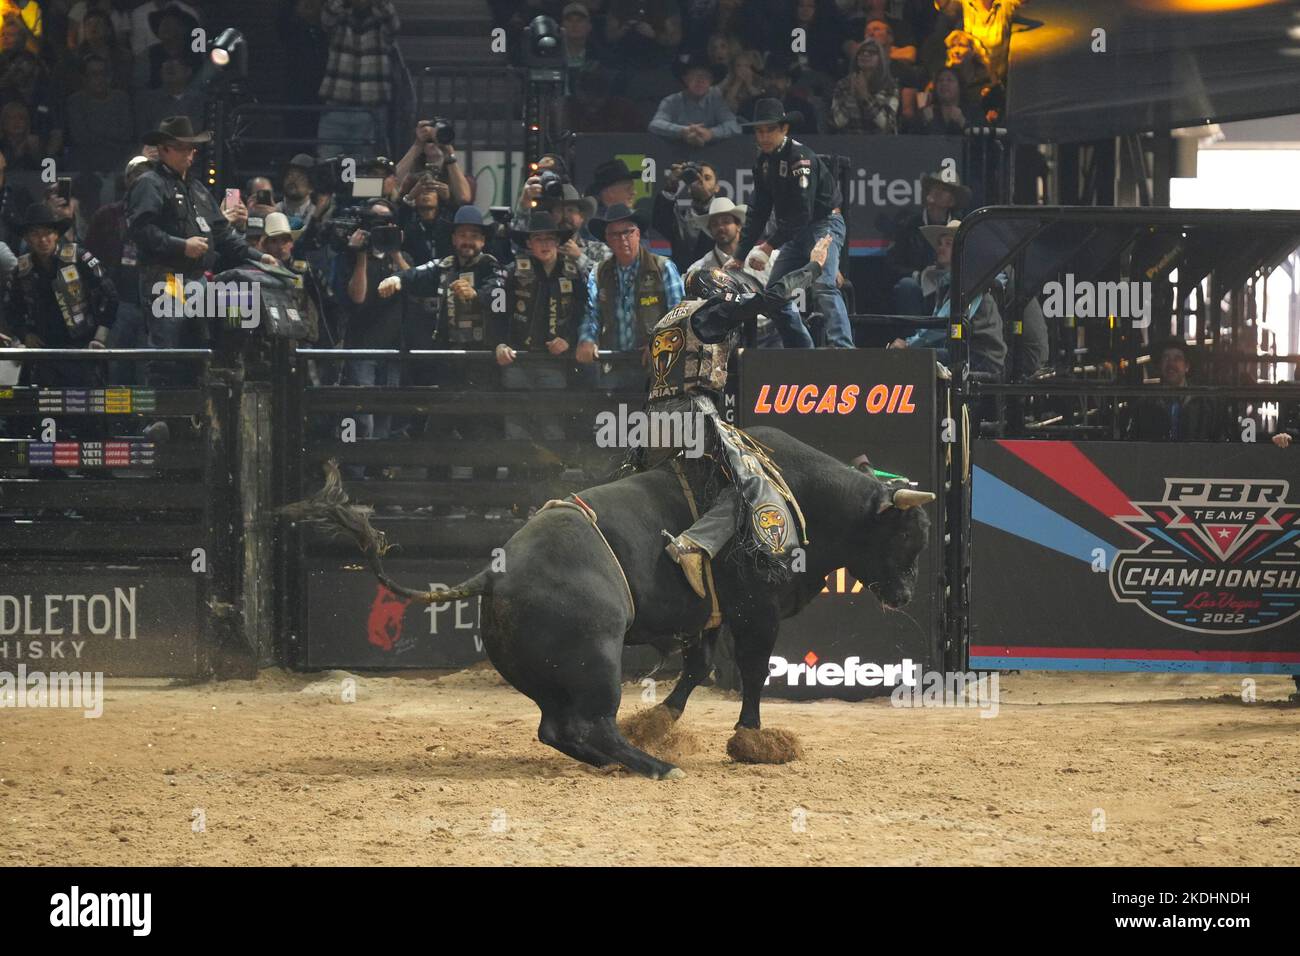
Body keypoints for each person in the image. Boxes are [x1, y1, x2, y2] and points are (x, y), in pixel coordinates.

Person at [657, 236, 832, 597]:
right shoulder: (710, 312)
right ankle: (698, 545)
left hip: (653, 419)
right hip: (692, 411)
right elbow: (772, 298)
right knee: (754, 479)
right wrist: (812, 268)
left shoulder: (669, 320)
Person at [127, 116, 275, 387]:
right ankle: (163, 417)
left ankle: (228, 371)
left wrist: (259, 256)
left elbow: (222, 233)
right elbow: (141, 231)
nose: (190, 153)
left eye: (191, 148)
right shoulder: (150, 183)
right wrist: (181, 245)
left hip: (197, 280)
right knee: (168, 352)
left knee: (236, 305)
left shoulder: (196, 189)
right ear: (164, 149)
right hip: (167, 279)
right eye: (183, 147)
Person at [732, 98, 847, 348]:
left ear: (784, 129)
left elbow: (803, 212)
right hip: (794, 232)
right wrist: (740, 255)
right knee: (775, 293)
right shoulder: (762, 163)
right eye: (759, 131)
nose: (763, 137)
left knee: (824, 284)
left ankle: (844, 349)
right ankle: (802, 350)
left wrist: (768, 247)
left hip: (824, 224)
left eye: (769, 130)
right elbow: (758, 210)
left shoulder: (800, 158)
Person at [494, 211, 587, 444]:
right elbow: (497, 312)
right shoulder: (514, 271)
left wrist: (569, 339)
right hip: (518, 358)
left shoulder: (574, 273)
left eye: (549, 239)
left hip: (554, 361)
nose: (544, 244)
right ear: (529, 243)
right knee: (516, 429)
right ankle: (518, 479)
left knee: (552, 426)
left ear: (557, 242)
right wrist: (499, 343)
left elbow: (585, 312)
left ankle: (551, 479)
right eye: (538, 239)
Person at [2, 203, 118, 388]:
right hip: (43, 351)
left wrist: (100, 336)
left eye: (47, 233)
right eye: (35, 234)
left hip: (81, 346)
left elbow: (110, 295)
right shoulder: (22, 270)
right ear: (27, 238)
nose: (42, 239)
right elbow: (11, 309)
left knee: (85, 407)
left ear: (56, 235)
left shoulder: (79, 257)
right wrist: (25, 334)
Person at [576, 203, 683, 391]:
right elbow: (591, 312)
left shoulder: (662, 267)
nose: (622, 239)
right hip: (614, 364)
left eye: (628, 232)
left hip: (658, 367)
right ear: (607, 240)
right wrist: (587, 339)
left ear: (638, 234)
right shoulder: (599, 273)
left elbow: (679, 314)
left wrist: (659, 344)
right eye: (615, 235)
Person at [889, 219, 1006, 380]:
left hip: (981, 360)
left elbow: (941, 325)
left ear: (964, 251)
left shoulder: (971, 282)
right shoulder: (951, 282)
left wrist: (909, 345)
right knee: (920, 357)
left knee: (912, 358)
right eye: (940, 243)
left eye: (948, 243)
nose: (940, 248)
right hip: (964, 354)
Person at [684, 196, 780, 346]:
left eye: (726, 222)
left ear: (739, 225)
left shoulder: (769, 257)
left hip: (771, 334)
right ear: (710, 230)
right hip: (728, 340)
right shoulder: (699, 268)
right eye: (714, 224)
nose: (720, 227)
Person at [316, 0, 400, 157]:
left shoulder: (382, 24)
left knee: (367, 172)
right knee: (326, 167)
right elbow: (327, 18)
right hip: (335, 108)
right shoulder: (338, 20)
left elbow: (393, 22)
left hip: (370, 111)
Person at [888, 170, 970, 313]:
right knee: (907, 286)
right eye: (934, 187)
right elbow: (892, 264)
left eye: (944, 190)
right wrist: (919, 276)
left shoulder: (962, 226)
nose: (937, 192)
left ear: (952, 201)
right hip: (919, 289)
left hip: (950, 287)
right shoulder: (909, 226)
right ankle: (913, 335)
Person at [1121, 340, 1225, 442]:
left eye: (1177, 358)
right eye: (1166, 358)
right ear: (1160, 365)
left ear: (1187, 366)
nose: (1171, 363)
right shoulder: (1145, 404)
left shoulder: (1205, 404)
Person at [648, 54, 741, 145]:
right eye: (695, 75)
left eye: (706, 76)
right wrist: (683, 131)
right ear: (685, 79)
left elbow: (734, 126)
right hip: (676, 154)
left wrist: (710, 133)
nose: (700, 80)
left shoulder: (716, 101)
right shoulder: (671, 101)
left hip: (711, 155)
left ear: (712, 81)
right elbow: (655, 124)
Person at [652, 159, 721, 271]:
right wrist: (671, 185)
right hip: (683, 282)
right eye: (696, 177)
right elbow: (659, 221)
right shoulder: (681, 219)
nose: (701, 180)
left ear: (717, 187)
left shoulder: (726, 217)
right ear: (688, 187)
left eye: (707, 178)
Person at [829, 38, 899, 134]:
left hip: (881, 144)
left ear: (880, 59)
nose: (865, 54)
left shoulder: (890, 85)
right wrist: (852, 95)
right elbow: (837, 122)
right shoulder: (843, 84)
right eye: (861, 52)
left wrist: (866, 97)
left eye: (872, 52)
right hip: (849, 143)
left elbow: (886, 125)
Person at [543, 183, 610, 279]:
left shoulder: (599, 249)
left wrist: (579, 257)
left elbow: (608, 281)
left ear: (582, 217)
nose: (565, 216)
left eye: (570, 210)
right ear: (551, 217)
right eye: (559, 211)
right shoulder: (540, 249)